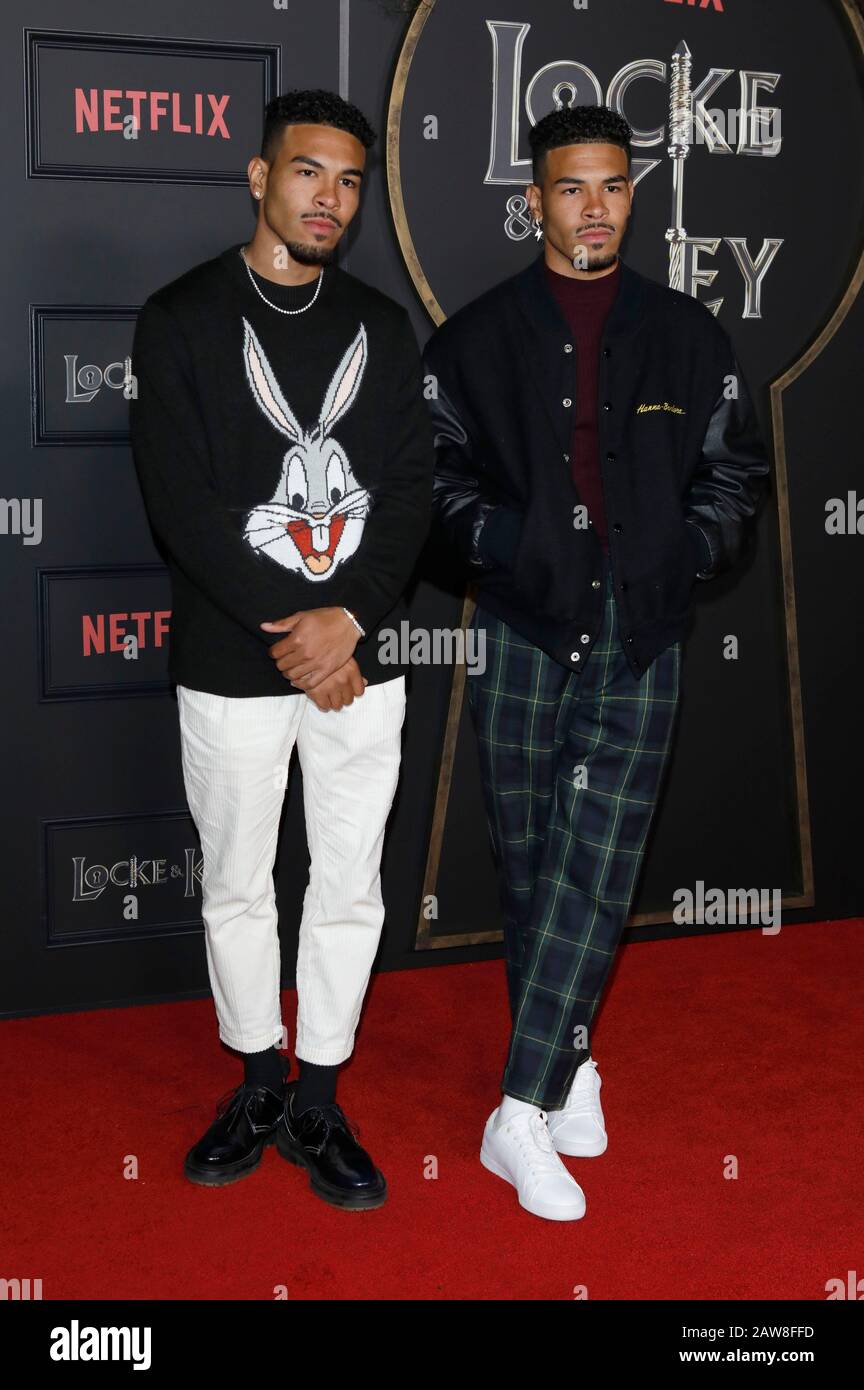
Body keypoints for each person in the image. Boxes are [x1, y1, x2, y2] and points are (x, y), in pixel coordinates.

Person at [423, 105, 769, 1221]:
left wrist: (680, 552)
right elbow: (431, 483)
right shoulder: (474, 340)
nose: (594, 208)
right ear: (534, 199)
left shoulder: (690, 334)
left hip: (642, 628)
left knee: (600, 861)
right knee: (529, 857)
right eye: (571, 188)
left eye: (613, 187)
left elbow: (733, 479)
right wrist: (513, 547)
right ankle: (571, 1060)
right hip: (524, 618)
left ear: (635, 194)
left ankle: (517, 1110)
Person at [129, 88, 433, 1209]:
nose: (331, 200)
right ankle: (257, 1078)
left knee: (350, 881)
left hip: (361, 657)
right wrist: (302, 632)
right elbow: (185, 504)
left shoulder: (380, 328)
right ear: (260, 177)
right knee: (240, 880)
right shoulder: (182, 319)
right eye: (309, 172)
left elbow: (407, 492)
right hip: (231, 657)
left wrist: (345, 621)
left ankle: (321, 1095)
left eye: (350, 181)